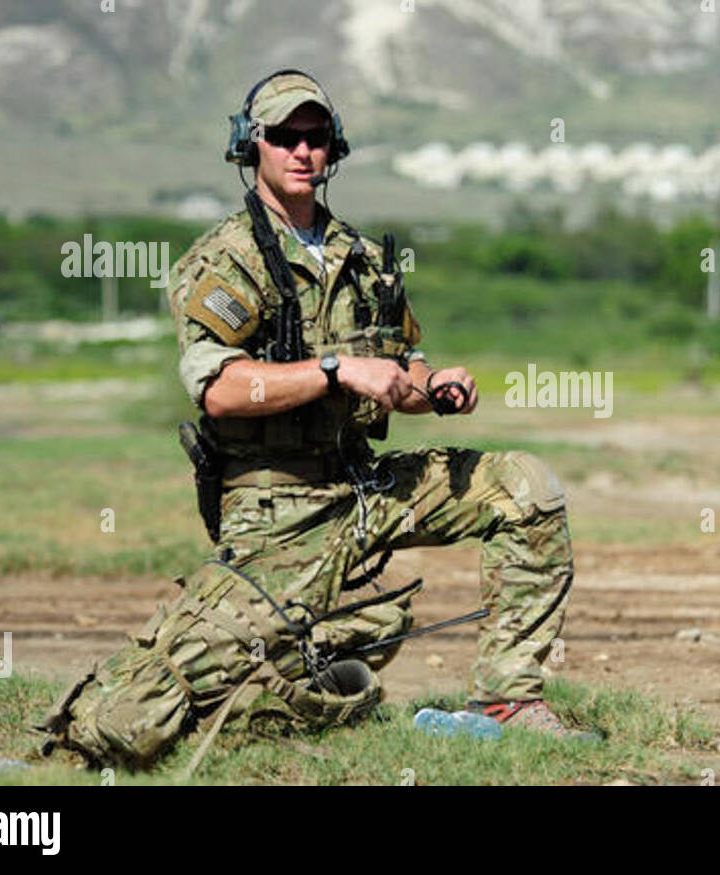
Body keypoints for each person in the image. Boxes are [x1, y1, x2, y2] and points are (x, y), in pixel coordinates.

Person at [37, 70, 594, 770]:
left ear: (335, 148)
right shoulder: (225, 258)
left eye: (316, 137)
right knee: (156, 704)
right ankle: (290, 669)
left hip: (360, 484)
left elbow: (399, 369)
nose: (302, 151)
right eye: (284, 137)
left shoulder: (359, 258)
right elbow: (220, 389)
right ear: (252, 146)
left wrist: (434, 384)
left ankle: (507, 699)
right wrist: (333, 369)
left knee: (526, 487)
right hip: (276, 508)